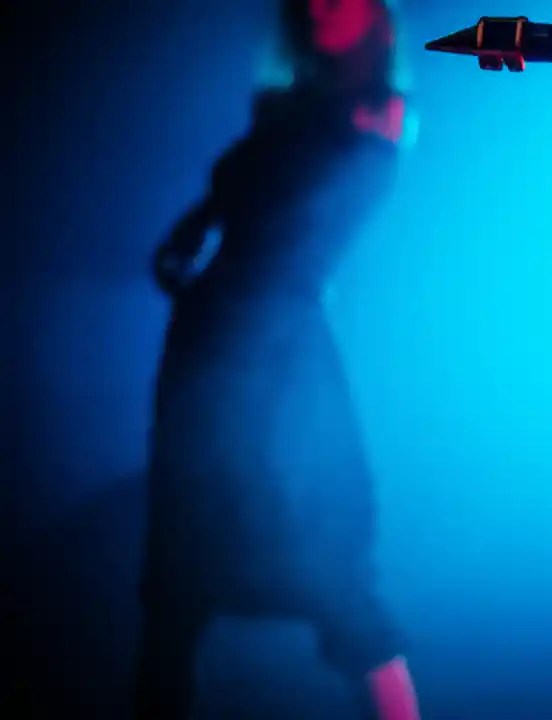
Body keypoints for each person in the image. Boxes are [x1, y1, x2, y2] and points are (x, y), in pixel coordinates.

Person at [135, 1, 418, 718]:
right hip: (208, 342)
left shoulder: (374, 115)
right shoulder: (288, 107)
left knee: (323, 551)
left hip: (277, 345)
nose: (321, 5)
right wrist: (186, 244)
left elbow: (319, 216)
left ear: (374, 17)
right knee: (177, 575)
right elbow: (221, 205)